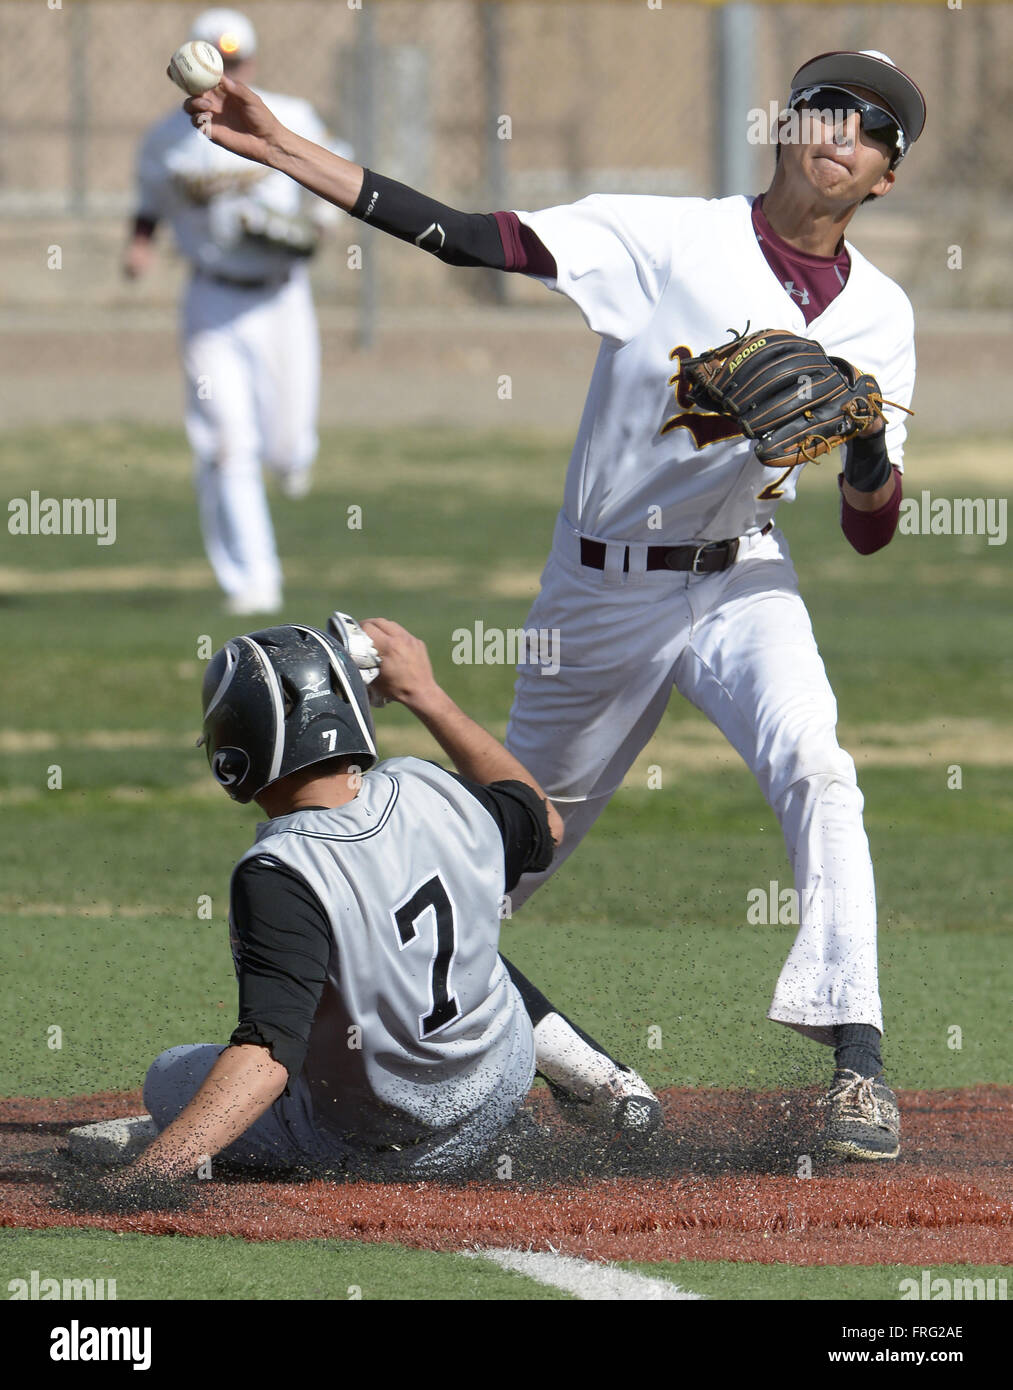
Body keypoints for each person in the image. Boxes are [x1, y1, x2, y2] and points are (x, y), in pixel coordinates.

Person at [183, 48, 925, 1159]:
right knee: (498, 856)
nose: (839, 131)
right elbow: (473, 235)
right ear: (783, 124)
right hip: (599, 591)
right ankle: (564, 1067)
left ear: (882, 177)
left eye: (870, 128)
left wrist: (863, 435)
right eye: (823, 106)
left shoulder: (880, 315)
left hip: (741, 577)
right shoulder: (666, 238)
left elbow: (870, 523)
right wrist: (279, 147)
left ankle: (857, 1066)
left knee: (818, 766)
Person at [101, 615, 659, 1194]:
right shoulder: (428, 786)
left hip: (392, 1147)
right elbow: (544, 821)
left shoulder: (281, 871)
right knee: (434, 944)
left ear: (235, 751)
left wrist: (145, 1179)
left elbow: (267, 1053)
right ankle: (601, 1082)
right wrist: (425, 693)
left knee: (170, 1078)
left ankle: (196, 1145)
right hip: (502, 1077)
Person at [125, 8, 350, 615]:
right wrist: (140, 243)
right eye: (215, 60)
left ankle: (293, 458)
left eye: (237, 59)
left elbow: (333, 180)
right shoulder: (166, 139)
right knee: (226, 442)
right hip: (211, 298)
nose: (227, 71)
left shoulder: (288, 116)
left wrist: (317, 227)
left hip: (281, 295)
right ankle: (253, 582)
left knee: (287, 447)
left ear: (250, 62)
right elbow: (149, 201)